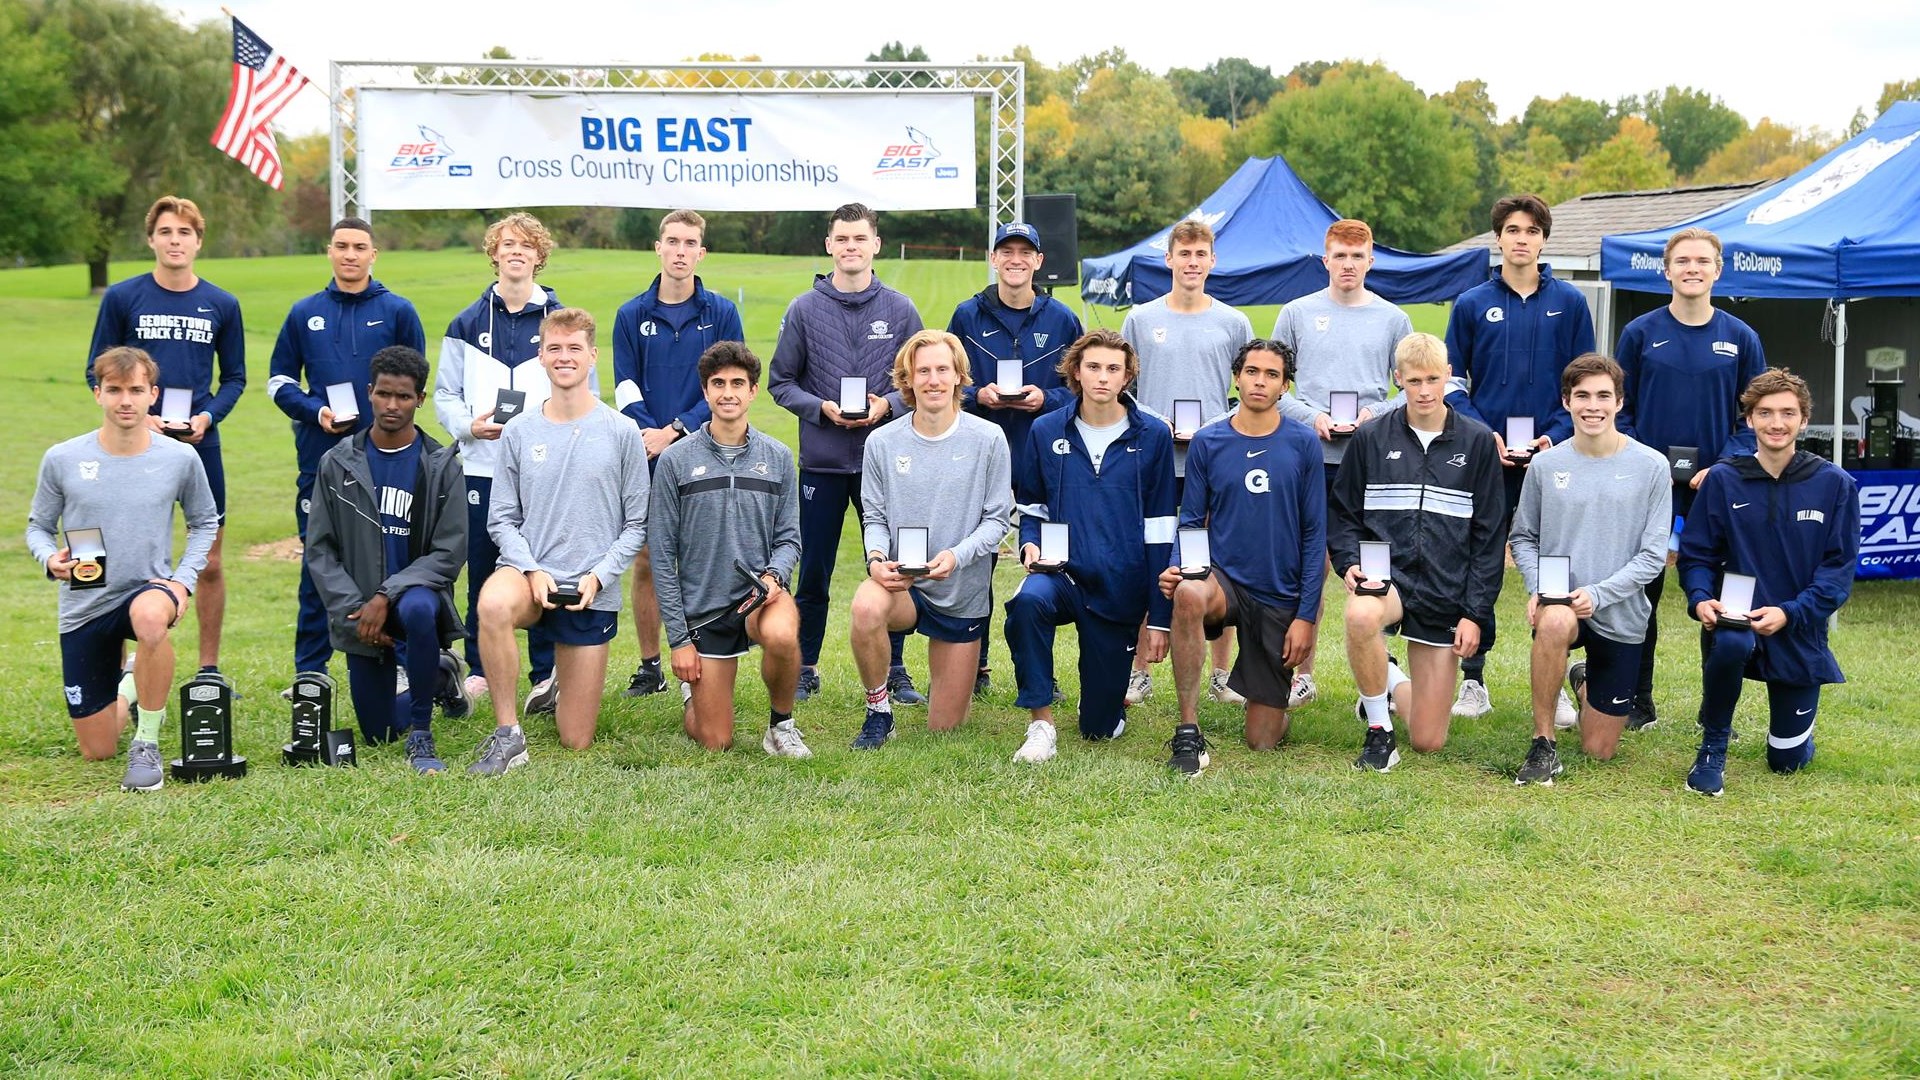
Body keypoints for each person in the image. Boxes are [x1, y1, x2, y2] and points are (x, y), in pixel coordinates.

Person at [467, 309, 648, 776]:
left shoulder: (621, 431)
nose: (564, 357)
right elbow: (502, 519)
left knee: (576, 739)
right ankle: (508, 734)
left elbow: (637, 524)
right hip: (530, 578)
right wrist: (530, 569)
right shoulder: (520, 430)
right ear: (541, 358)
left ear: (592, 356)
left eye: (574, 348)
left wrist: (599, 577)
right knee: (492, 604)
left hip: (590, 587)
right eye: (554, 348)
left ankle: (560, 683)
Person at [28, 346, 218, 791]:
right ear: (98, 394)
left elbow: (205, 522)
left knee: (150, 619)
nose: (126, 401)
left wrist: (181, 582)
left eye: (136, 390)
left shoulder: (179, 458)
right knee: (97, 748)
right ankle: (132, 682)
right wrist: (49, 558)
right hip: (85, 600)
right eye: (114, 390)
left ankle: (146, 744)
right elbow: (38, 527)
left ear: (153, 394)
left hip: (148, 589)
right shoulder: (62, 458)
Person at [1443, 194, 1595, 722]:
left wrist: (1554, 435)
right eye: (1512, 229)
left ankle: (1555, 682)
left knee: (1553, 564)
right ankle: (1473, 679)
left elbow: (1584, 382)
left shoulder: (1571, 303)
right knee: (1479, 560)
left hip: (1551, 458)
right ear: (1498, 238)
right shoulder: (1470, 303)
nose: (1522, 239)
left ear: (1544, 240)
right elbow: (1452, 382)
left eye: (1531, 230)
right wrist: (1482, 433)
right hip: (1487, 457)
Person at [769, 203, 926, 707]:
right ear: (829, 245)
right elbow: (780, 382)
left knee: (894, 567)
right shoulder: (803, 309)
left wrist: (888, 405)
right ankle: (805, 666)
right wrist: (821, 409)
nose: (851, 246)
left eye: (860, 238)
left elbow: (921, 379)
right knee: (813, 570)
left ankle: (896, 668)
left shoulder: (901, 309)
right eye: (842, 239)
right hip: (822, 462)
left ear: (876, 244)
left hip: (886, 464)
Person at [1327, 333, 1506, 772]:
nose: (1424, 391)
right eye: (1413, 381)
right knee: (1360, 615)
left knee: (1428, 740)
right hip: (1386, 579)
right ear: (1397, 379)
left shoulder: (1478, 441)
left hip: (1445, 590)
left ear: (1449, 376)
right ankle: (1379, 730)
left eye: (1432, 379)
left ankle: (1387, 675)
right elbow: (1343, 513)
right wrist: (1349, 562)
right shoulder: (1370, 437)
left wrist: (1475, 613)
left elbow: (1489, 537)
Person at [1615, 226, 1767, 730]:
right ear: (1667, 270)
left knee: (1720, 598)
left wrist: (1723, 465)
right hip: (1650, 488)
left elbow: (1755, 417)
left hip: (1716, 487)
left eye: (1702, 261)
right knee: (1642, 595)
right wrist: (1646, 462)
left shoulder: (1741, 337)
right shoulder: (1639, 333)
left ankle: (1714, 709)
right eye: (1682, 261)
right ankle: (1637, 701)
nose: (1692, 269)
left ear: (1718, 270)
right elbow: (1621, 410)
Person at [1678, 369, 1857, 796]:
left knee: (1786, 763)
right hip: (1736, 618)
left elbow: (1838, 571)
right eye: (1765, 413)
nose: (1776, 423)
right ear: (1749, 420)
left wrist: (1790, 613)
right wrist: (1701, 598)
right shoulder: (1723, 479)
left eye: (1787, 413)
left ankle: (1794, 738)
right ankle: (1713, 746)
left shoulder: (1835, 484)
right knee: (1730, 643)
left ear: (1804, 420)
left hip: (1797, 628)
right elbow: (1697, 555)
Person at [86, 196, 244, 681]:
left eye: (184, 233)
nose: (175, 241)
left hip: (198, 445)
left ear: (198, 241)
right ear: (151, 239)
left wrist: (208, 417)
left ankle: (208, 670)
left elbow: (234, 377)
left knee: (210, 560)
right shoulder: (123, 298)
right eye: (166, 232)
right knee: (122, 556)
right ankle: (118, 672)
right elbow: (95, 371)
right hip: (134, 445)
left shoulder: (222, 304)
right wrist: (142, 419)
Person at [1005, 330, 1176, 765]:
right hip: (1061, 575)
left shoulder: (1154, 435)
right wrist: (1029, 543)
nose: (1103, 377)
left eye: (1113, 369)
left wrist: (1159, 619)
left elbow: (1161, 529)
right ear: (1076, 372)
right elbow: (1032, 507)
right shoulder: (1046, 430)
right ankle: (1040, 724)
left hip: (1120, 585)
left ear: (1127, 377)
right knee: (1027, 603)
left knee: (1099, 730)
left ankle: (1104, 701)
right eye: (1093, 367)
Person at [270, 217, 425, 680]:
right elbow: (279, 381)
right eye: (342, 246)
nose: (350, 254)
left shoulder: (398, 310)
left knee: (390, 558)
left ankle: (400, 662)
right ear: (330, 251)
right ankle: (310, 671)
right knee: (317, 561)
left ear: (373, 255)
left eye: (360, 247)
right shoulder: (304, 312)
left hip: (385, 460)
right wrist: (314, 411)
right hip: (319, 457)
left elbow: (416, 383)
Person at [1157, 339, 1323, 773]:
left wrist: (1305, 616)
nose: (1260, 382)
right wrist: (1178, 566)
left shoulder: (1304, 442)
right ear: (1236, 378)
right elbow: (1191, 520)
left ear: (1285, 386)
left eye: (1271, 375)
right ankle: (1188, 730)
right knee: (1189, 593)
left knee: (1262, 741)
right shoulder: (1208, 441)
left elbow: (1314, 534)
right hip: (1223, 579)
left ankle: (1267, 697)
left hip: (1277, 591)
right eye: (1252, 372)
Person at [1508, 354, 1669, 786]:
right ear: (1566, 402)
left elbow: (1653, 556)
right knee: (1555, 619)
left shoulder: (1652, 466)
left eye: (1603, 396)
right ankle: (1543, 741)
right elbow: (1523, 537)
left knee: (1599, 750)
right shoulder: (1545, 465)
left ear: (1619, 402)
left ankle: (1582, 682)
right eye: (1582, 396)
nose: (1592, 406)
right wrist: (1540, 587)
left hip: (1620, 613)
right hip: (1562, 604)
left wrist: (1598, 595)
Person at [307, 346, 469, 773]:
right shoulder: (336, 463)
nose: (392, 405)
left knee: (417, 608)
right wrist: (356, 611)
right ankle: (438, 675)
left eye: (403, 396)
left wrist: (385, 595)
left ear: (420, 399)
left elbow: (449, 552)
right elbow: (320, 549)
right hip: (361, 609)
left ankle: (422, 733)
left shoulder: (441, 465)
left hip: (414, 598)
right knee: (378, 732)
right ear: (369, 393)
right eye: (383, 394)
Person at [1274, 218, 1414, 711]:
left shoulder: (1393, 319)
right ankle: (1301, 674)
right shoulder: (1297, 313)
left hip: (1371, 461)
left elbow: (1410, 388)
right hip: (1310, 458)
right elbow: (1275, 386)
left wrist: (1376, 414)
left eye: (1357, 257)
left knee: (1371, 565)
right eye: (1340, 256)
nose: (1348, 265)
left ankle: (1381, 673)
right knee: (1305, 564)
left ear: (1370, 261)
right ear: (1325, 260)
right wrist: (1311, 417)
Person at [848, 330, 1012, 749]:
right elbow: (875, 517)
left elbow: (997, 521)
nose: (933, 380)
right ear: (908, 378)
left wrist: (956, 557)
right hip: (903, 586)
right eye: (923, 371)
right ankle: (879, 711)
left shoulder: (989, 438)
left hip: (960, 590)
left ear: (959, 376)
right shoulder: (882, 441)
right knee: (866, 606)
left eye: (943, 369)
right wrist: (876, 558)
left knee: (945, 727)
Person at [432, 212, 566, 717]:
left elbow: (581, 389)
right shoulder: (466, 323)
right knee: (484, 569)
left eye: (526, 244)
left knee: (544, 567)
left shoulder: (559, 319)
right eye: (507, 243)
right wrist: (468, 427)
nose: (515, 251)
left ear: (539, 255)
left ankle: (544, 671)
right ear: (493, 253)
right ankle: (482, 668)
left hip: (544, 469)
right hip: (481, 465)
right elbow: (445, 393)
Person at [649, 341, 809, 757]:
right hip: (706, 609)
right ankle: (693, 695)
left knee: (782, 634)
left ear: (753, 391)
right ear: (705, 392)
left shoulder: (778, 457)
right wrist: (679, 641)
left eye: (738, 383)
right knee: (715, 740)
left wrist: (774, 577)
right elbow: (662, 555)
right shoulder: (675, 460)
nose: (728, 393)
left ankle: (781, 725)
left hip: (760, 597)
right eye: (718, 384)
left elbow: (790, 538)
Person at [613, 209, 746, 701]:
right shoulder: (631, 314)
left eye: (690, 243)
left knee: (701, 555)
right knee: (649, 558)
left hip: (705, 446)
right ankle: (651, 666)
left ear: (701, 252)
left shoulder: (722, 313)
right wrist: (651, 433)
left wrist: (676, 430)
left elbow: (729, 382)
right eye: (672, 241)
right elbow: (624, 384)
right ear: (658, 248)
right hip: (645, 448)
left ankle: (700, 655)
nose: (680, 251)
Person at [1120, 219, 1253, 708]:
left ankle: (1220, 673)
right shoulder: (1140, 319)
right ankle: (1138, 669)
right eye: (1184, 254)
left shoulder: (1234, 323)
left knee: (1217, 560)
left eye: (1201, 254)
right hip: (1154, 458)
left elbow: (1245, 392)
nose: (1192, 263)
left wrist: (1214, 427)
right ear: (1169, 259)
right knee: (1147, 559)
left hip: (1213, 458)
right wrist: (1160, 422)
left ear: (1212, 261)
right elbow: (1125, 391)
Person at [949, 221, 1083, 697]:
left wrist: (1045, 400)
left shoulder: (1062, 318)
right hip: (980, 452)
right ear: (993, 258)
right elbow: (947, 379)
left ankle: (1042, 672)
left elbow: (1081, 386)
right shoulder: (967, 315)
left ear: (1038, 261)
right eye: (1006, 251)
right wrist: (977, 395)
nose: (1015, 259)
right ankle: (975, 667)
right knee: (975, 560)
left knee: (1049, 559)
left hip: (1044, 452)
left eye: (1025, 252)